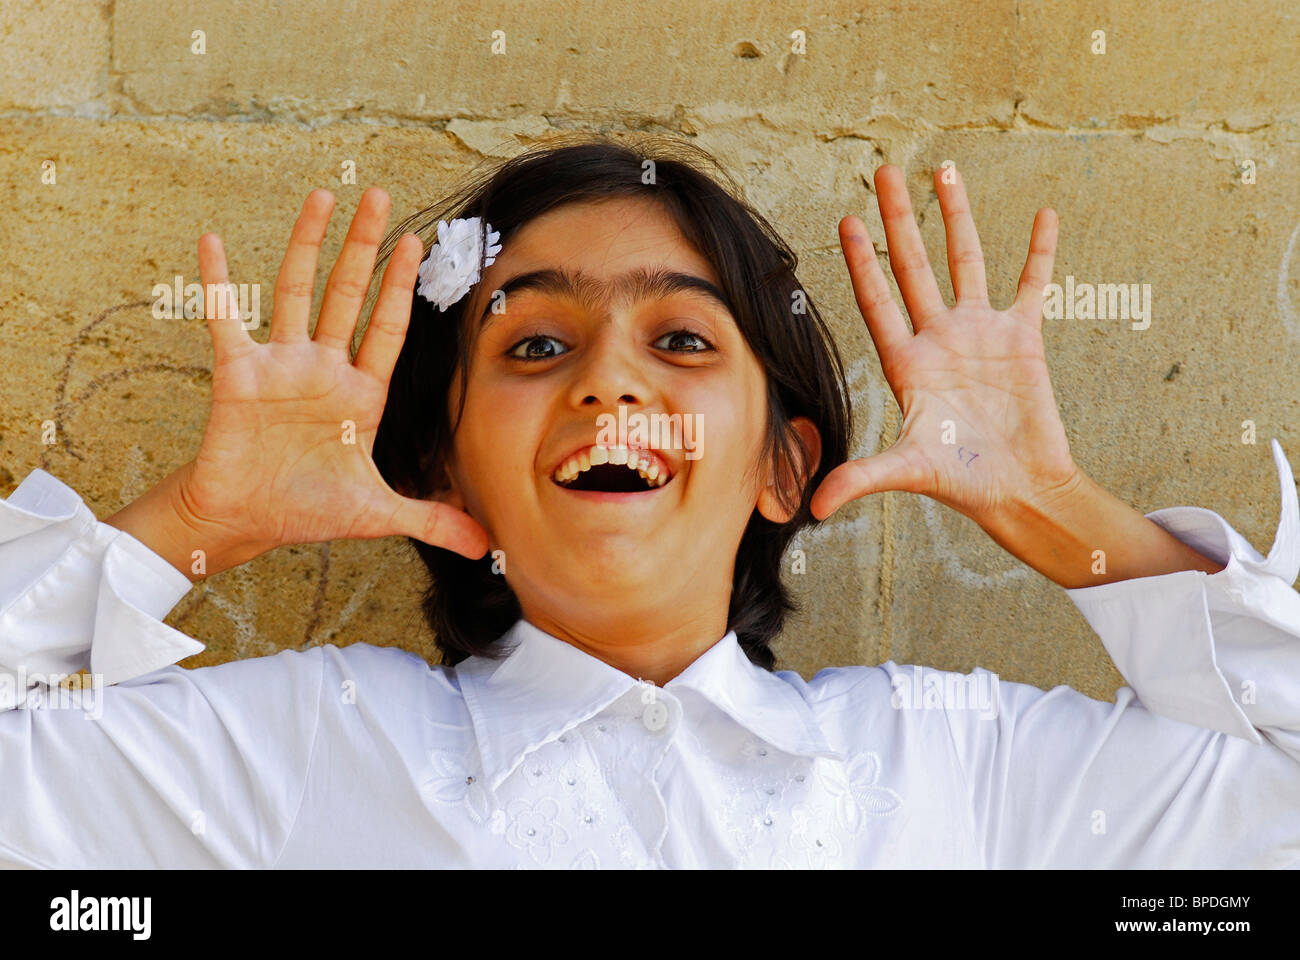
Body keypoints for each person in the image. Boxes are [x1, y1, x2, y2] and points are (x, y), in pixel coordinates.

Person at [2, 133, 1297, 868]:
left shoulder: (954, 770)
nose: (612, 381)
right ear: (444, 469)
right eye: (535, 346)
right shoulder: (305, 754)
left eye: (681, 342)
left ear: (783, 465)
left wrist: (1057, 508)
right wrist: (203, 520)